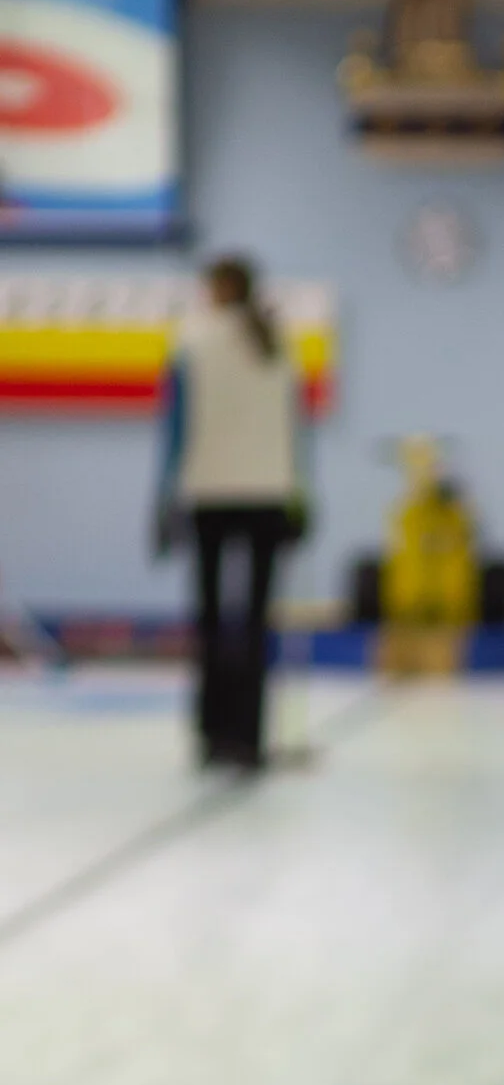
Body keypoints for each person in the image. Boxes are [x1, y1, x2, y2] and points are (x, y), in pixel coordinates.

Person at [154, 254, 304, 772]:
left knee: (212, 620)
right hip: (269, 494)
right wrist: (301, 496)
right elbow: (295, 432)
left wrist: (161, 499)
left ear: (215, 289)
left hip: (210, 493)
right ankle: (250, 738)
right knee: (257, 622)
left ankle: (210, 733)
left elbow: (174, 428)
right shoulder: (278, 343)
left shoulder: (191, 341)